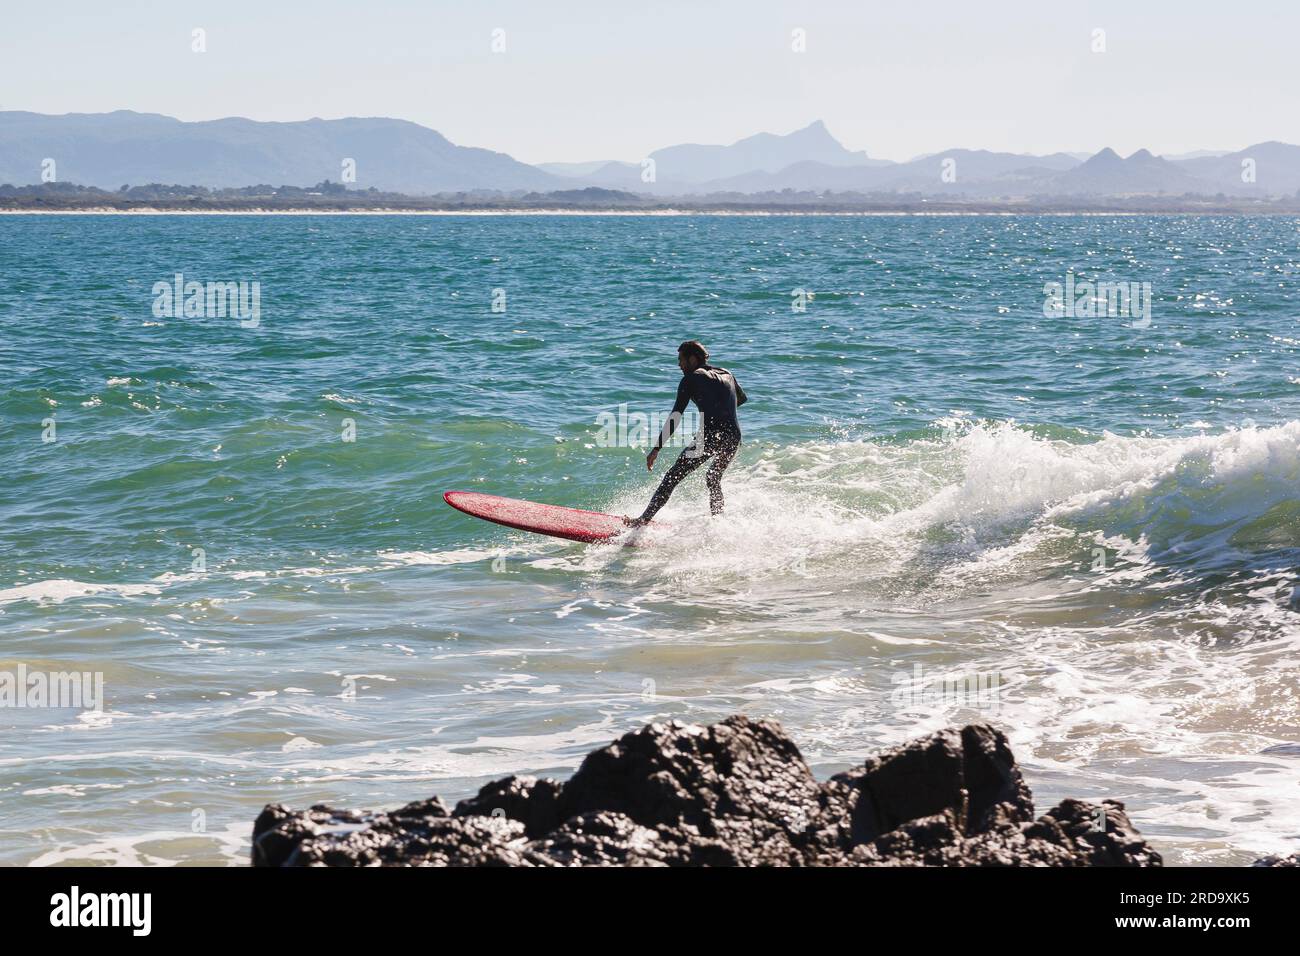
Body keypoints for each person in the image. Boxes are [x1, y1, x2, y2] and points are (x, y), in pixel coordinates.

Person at [625, 340, 748, 527]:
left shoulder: (690, 379)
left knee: (672, 477)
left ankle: (643, 520)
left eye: (681, 360)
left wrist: (656, 449)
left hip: (710, 437)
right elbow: (740, 399)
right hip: (733, 436)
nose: (679, 365)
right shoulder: (727, 373)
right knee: (713, 477)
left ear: (692, 359)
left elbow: (675, 416)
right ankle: (719, 521)